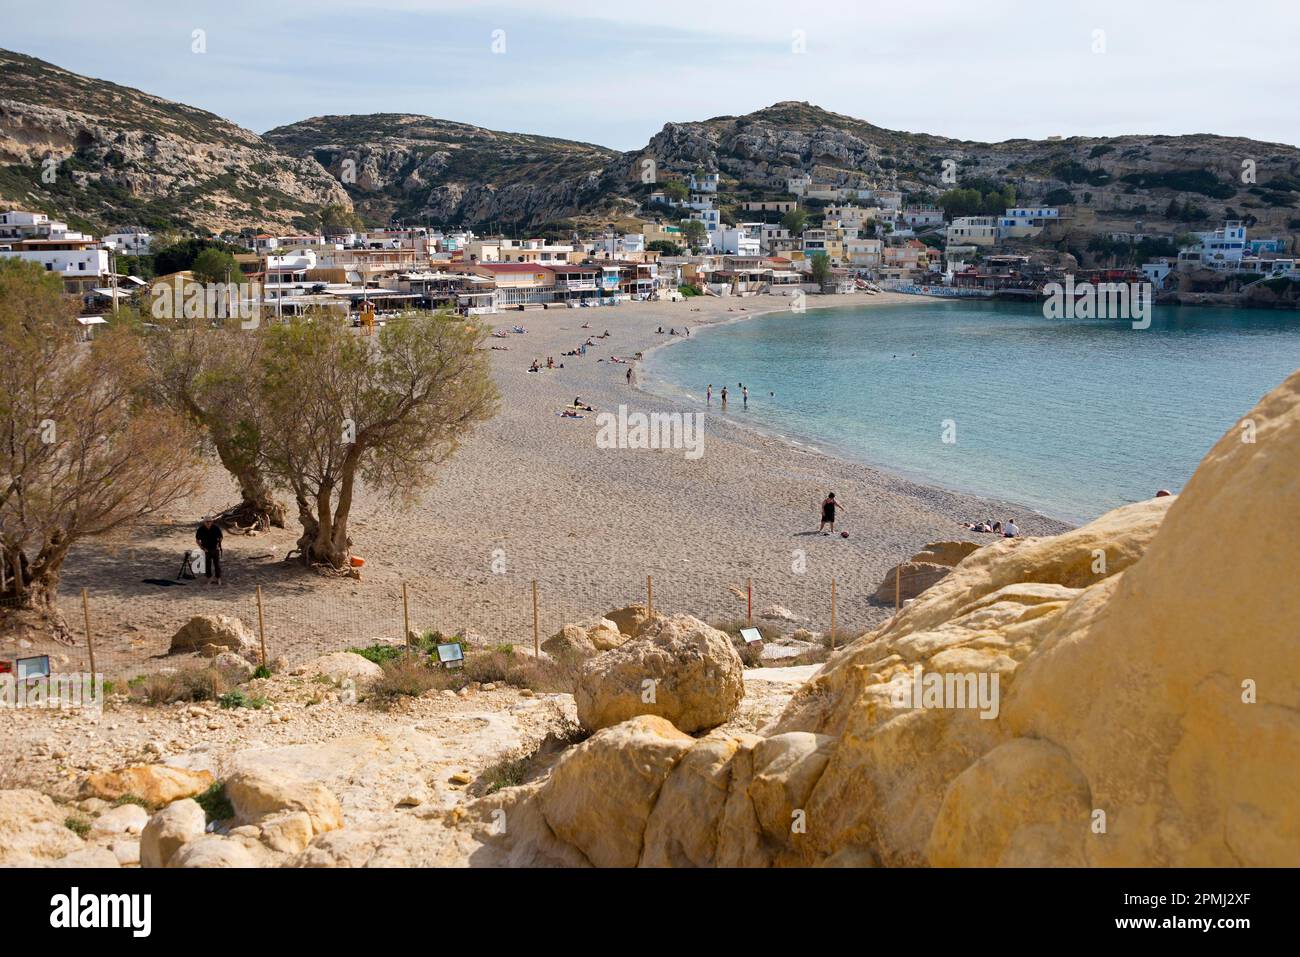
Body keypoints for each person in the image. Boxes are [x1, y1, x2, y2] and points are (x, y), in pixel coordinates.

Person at [196, 514, 223, 586]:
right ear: (204, 522)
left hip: (215, 549)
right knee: (207, 565)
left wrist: (218, 545)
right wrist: (202, 548)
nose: (208, 523)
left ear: (212, 522)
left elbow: (220, 537)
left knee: (217, 564)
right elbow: (197, 540)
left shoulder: (216, 528)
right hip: (206, 550)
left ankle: (218, 578)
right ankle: (209, 578)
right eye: (207, 521)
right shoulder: (201, 529)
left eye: (210, 521)